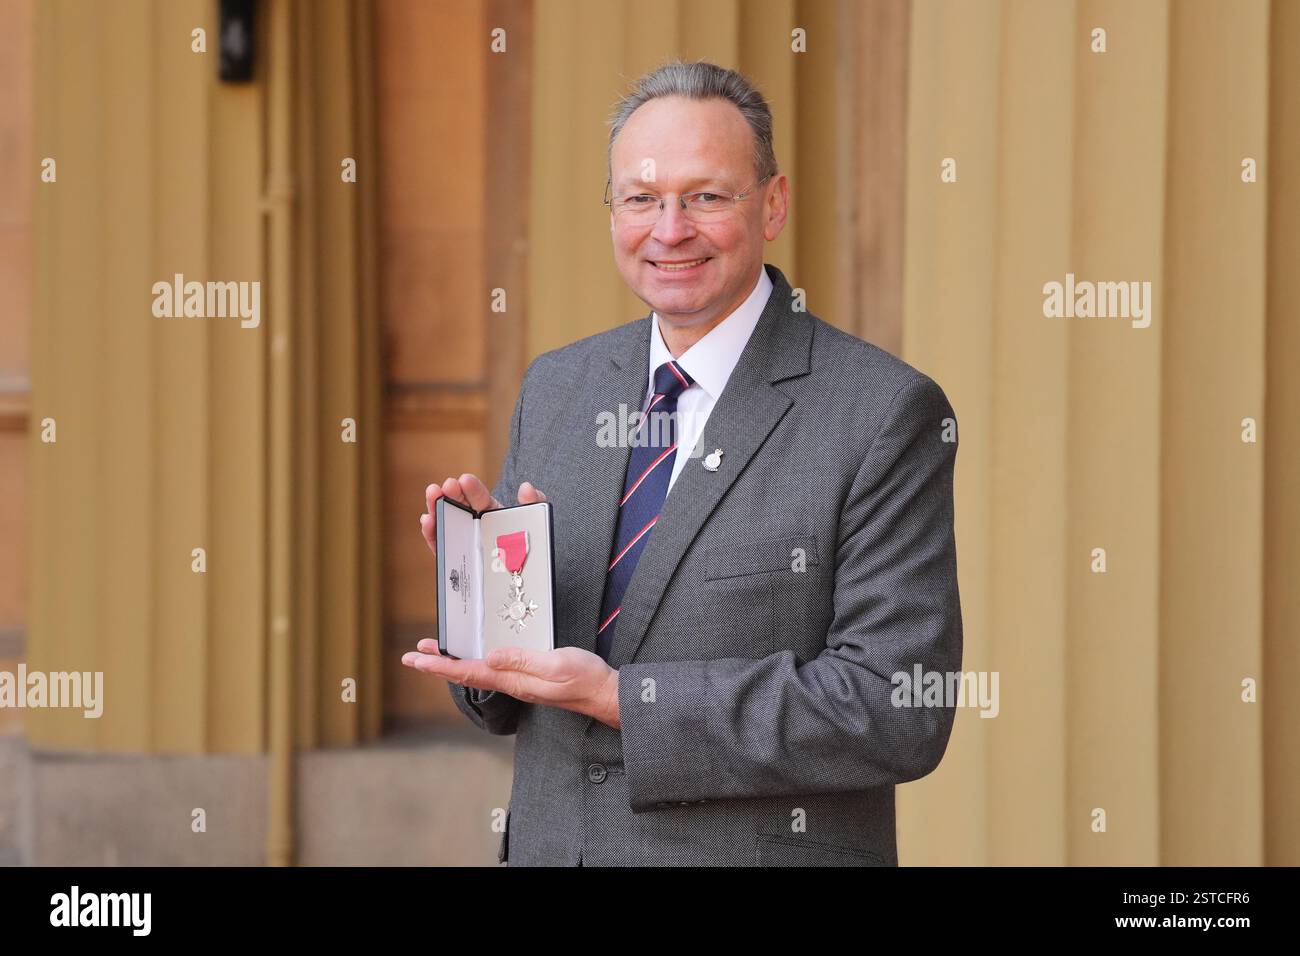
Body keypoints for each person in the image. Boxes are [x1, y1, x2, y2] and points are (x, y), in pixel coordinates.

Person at [404, 60, 962, 866]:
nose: (669, 230)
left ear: (773, 204)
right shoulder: (560, 386)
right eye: (641, 198)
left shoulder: (881, 413)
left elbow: (894, 708)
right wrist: (485, 603)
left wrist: (624, 700)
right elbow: (503, 703)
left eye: (706, 196)